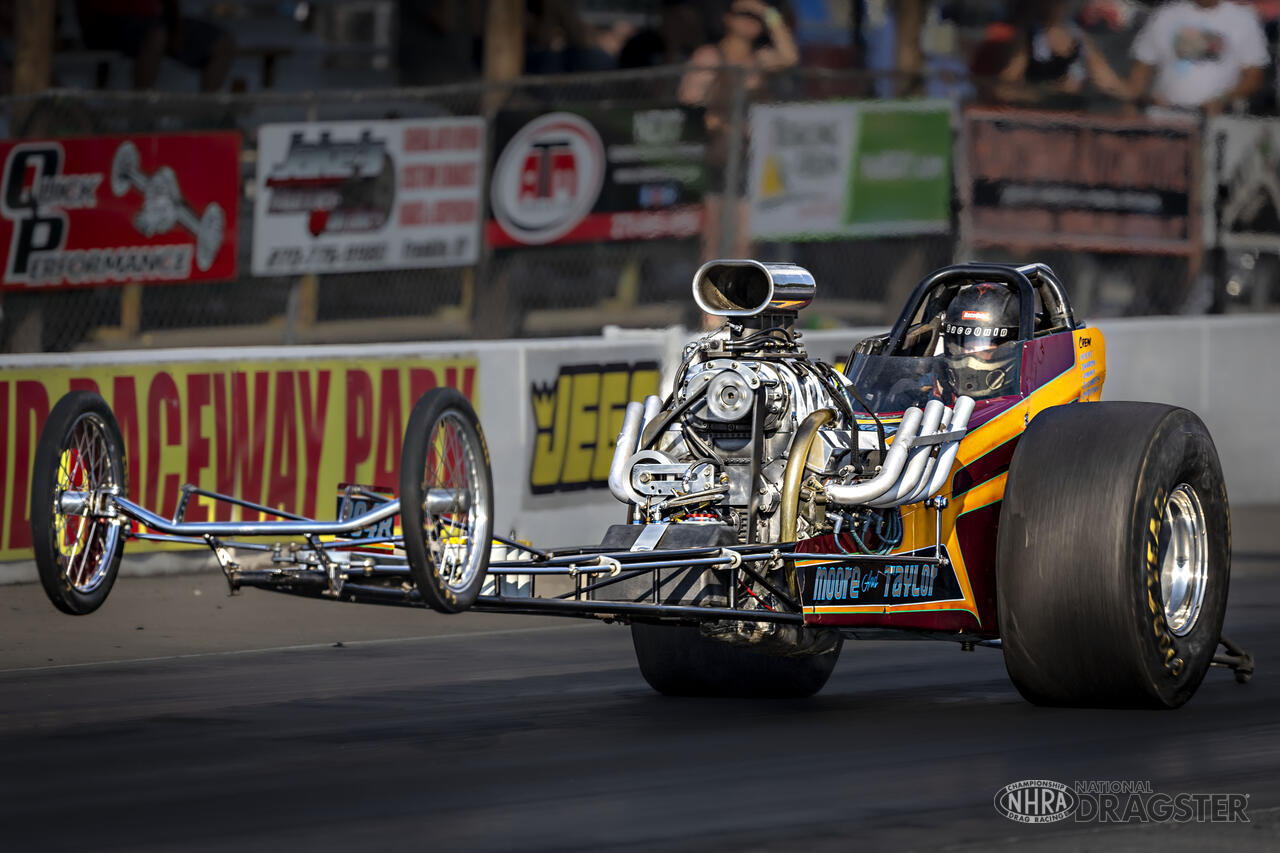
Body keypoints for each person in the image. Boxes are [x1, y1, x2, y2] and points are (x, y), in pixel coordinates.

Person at [679, 0, 798, 271]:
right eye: (743, 15)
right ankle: (711, 312)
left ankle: (739, 307)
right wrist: (721, 118)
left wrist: (768, 14)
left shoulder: (759, 60)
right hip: (716, 164)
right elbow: (689, 104)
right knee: (715, 244)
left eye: (755, 18)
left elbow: (789, 56)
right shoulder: (710, 57)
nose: (750, 22)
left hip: (750, 164)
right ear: (727, 19)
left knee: (745, 244)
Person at [1128, 0, 1268, 113]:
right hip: (1163, 116)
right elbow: (1142, 66)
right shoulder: (1164, 15)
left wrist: (1222, 100)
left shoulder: (1244, 19)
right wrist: (1131, 106)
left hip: (1218, 119)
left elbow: (1253, 77)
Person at [75, 0, 233, 92]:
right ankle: (142, 113)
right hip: (110, 24)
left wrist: (175, 25)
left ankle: (208, 116)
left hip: (155, 21)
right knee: (157, 35)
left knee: (221, 41)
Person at [996, 0, 1129, 103]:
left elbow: (1106, 80)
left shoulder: (1078, 36)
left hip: (1072, 117)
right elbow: (1006, 87)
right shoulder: (1028, 36)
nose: (1056, 6)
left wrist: (1133, 95)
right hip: (1037, 116)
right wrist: (1048, 91)